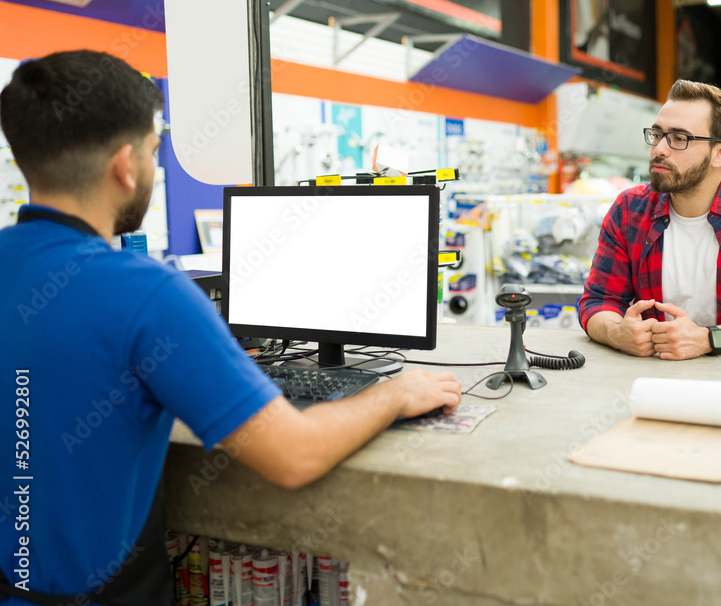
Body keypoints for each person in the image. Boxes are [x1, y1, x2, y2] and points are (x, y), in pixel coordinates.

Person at [0, 50, 462, 604]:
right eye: (153, 152)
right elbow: (295, 456)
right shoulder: (146, 294)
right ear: (125, 165)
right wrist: (395, 394)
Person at [578, 79, 721, 360]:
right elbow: (598, 301)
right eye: (657, 134)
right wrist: (618, 333)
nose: (660, 149)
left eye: (679, 138)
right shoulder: (629, 210)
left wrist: (707, 339)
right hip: (650, 380)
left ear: (720, 154)